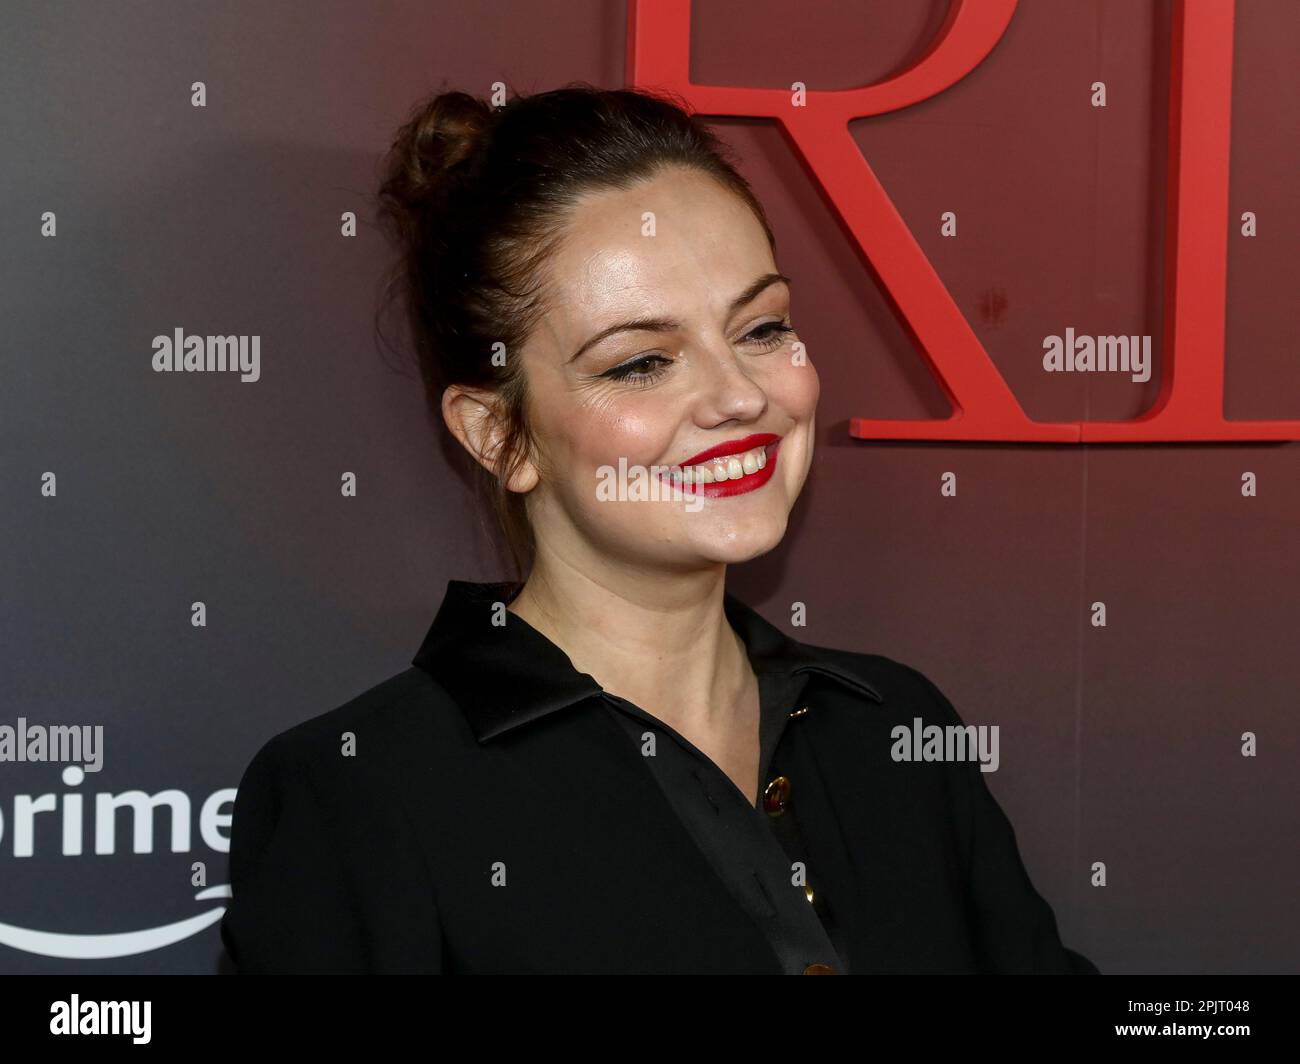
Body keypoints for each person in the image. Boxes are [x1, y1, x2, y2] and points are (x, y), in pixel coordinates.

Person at [219, 83, 1098, 975]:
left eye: (760, 328)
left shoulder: (894, 727)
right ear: (498, 436)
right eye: (641, 362)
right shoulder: (365, 794)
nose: (740, 397)